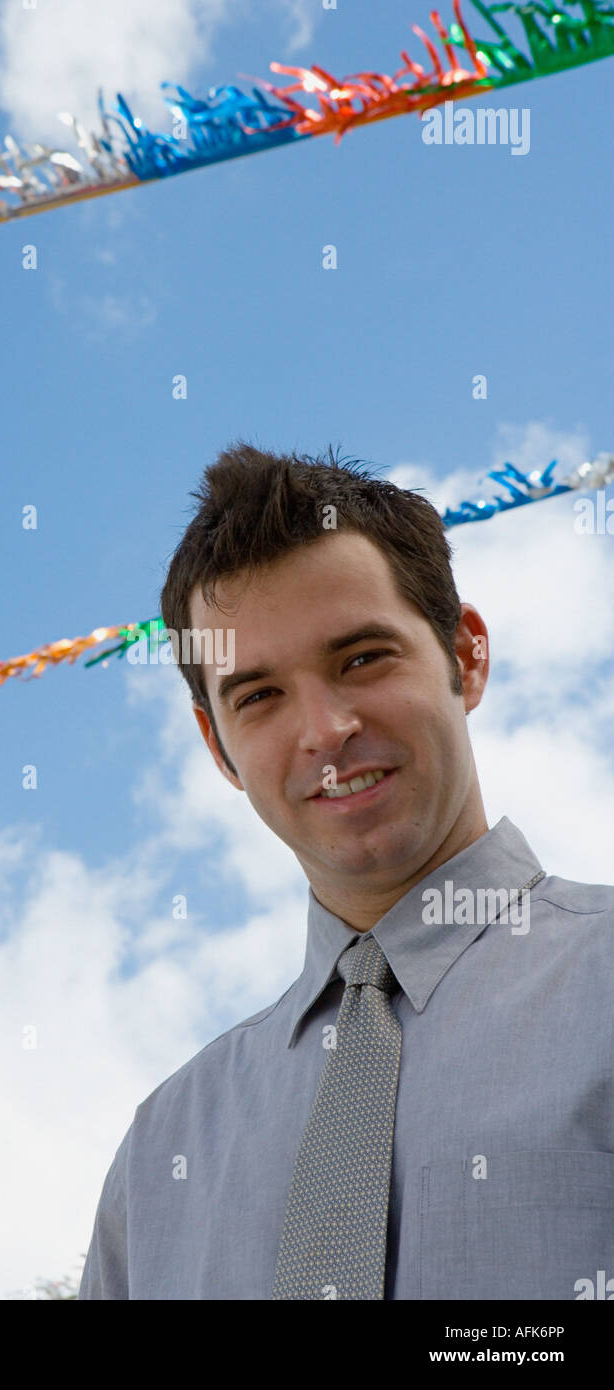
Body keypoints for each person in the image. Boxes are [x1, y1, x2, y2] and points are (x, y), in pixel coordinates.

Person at [77, 441, 614, 1300]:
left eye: (362, 658)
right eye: (258, 696)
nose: (324, 730)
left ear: (465, 656)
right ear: (217, 746)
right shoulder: (157, 1158)